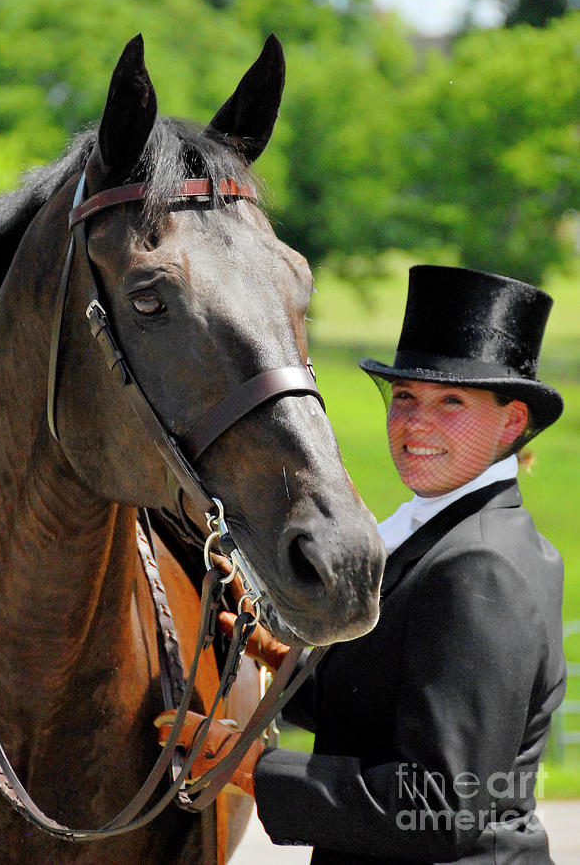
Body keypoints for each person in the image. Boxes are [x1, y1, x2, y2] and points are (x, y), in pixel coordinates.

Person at [156, 265, 566, 864]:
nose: (416, 423)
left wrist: (252, 768)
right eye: (404, 397)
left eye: (451, 401)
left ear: (512, 421)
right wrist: (285, 661)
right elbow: (395, 703)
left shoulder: (480, 566)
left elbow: (441, 806)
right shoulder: (457, 534)